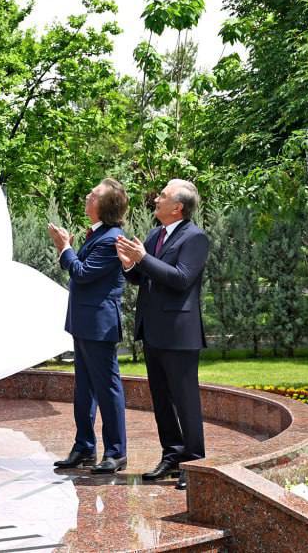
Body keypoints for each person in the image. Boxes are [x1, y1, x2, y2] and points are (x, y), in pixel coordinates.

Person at [116, 179, 209, 491]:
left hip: (180, 333)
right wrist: (130, 266)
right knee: (161, 399)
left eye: (163, 196)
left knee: (185, 401)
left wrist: (143, 259)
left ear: (178, 207)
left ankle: (194, 462)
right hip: (153, 329)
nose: (156, 199)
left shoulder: (195, 238)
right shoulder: (156, 234)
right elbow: (144, 277)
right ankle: (171, 455)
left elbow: (181, 279)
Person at [48, 178, 130, 474]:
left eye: (93, 194)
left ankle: (116, 452)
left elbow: (81, 273)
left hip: (99, 325)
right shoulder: (98, 235)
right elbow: (76, 268)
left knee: (107, 388)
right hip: (84, 323)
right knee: (84, 388)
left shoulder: (111, 239)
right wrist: (68, 250)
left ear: (104, 205)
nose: (87, 195)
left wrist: (65, 246)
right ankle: (84, 446)